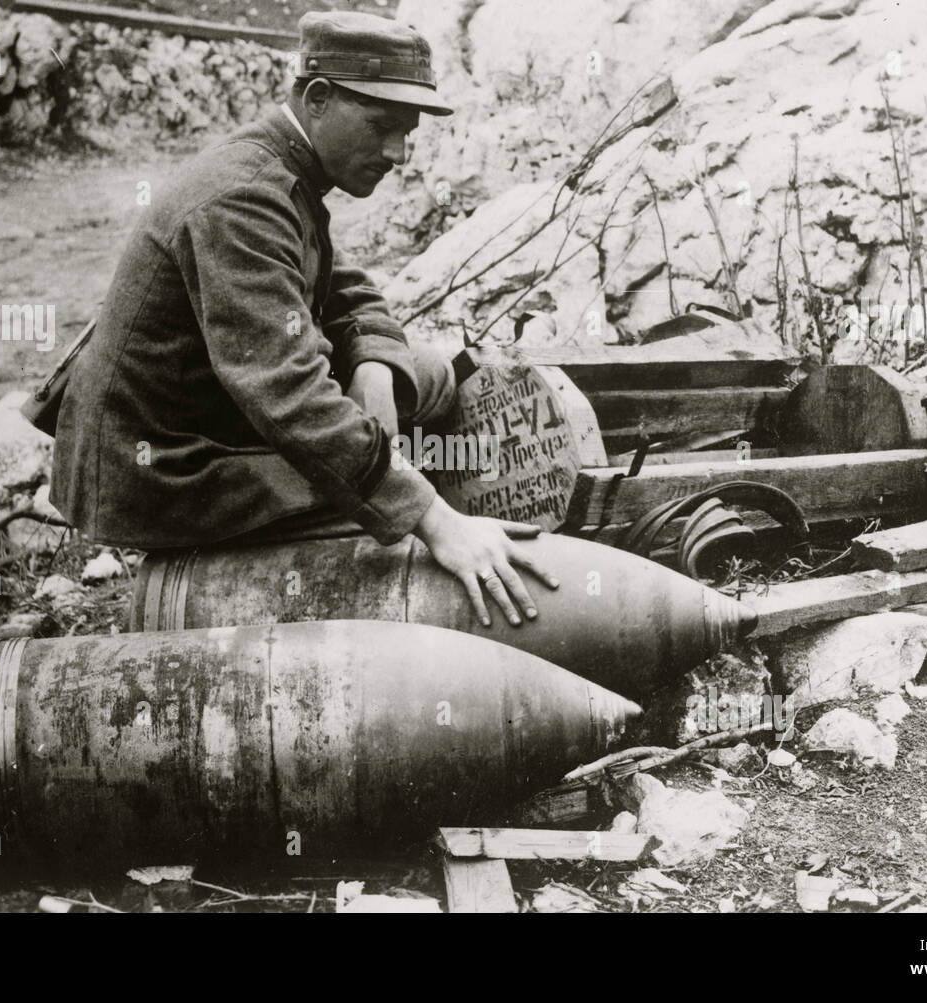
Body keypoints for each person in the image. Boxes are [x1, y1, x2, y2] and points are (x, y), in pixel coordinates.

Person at [50, 10, 557, 627]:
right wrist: (432, 520)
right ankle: (449, 525)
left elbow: (345, 288)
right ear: (318, 99)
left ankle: (444, 491)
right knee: (387, 527)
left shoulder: (285, 170)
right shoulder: (243, 197)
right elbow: (289, 394)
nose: (398, 153)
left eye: (408, 133)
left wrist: (374, 362)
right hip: (169, 468)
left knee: (424, 373)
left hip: (213, 415)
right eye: (382, 127)